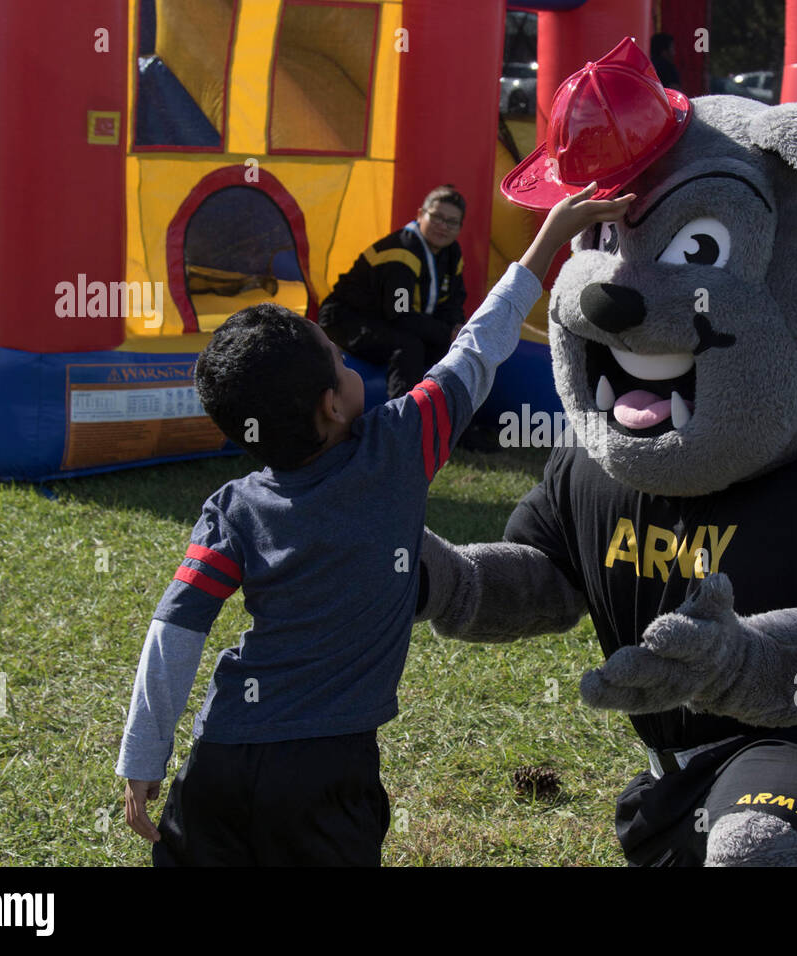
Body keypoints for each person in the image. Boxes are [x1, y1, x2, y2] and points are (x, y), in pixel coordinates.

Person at [116, 181, 634, 866]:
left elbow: (176, 626)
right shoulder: (398, 448)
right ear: (332, 406)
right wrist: (544, 244)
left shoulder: (233, 506)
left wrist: (143, 753)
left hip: (220, 761)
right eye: (337, 357)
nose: (346, 358)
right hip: (327, 776)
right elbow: (480, 347)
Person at [318, 185, 468, 401]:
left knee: (455, 348)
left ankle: (453, 420)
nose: (442, 226)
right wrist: (447, 334)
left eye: (451, 222)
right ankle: (402, 420)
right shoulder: (401, 253)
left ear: (460, 227)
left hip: (389, 320)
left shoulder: (452, 254)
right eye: (436, 217)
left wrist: (456, 330)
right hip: (345, 319)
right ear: (420, 215)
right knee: (409, 346)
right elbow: (401, 315)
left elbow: (453, 301)